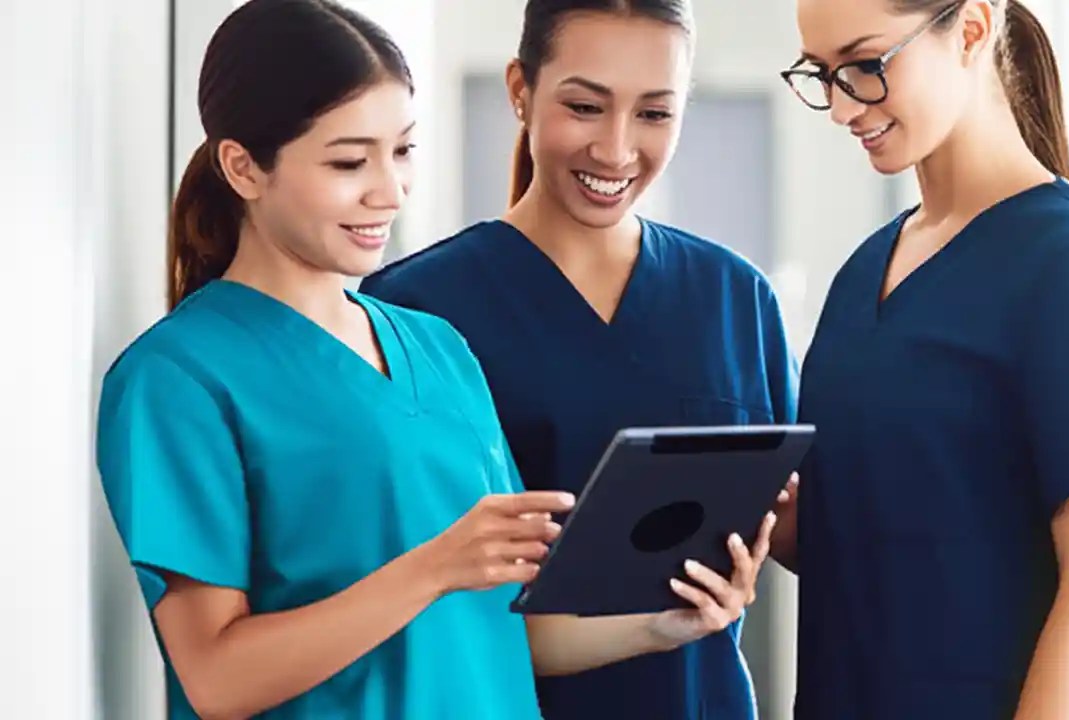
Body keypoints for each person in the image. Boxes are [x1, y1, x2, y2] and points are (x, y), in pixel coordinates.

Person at [96, 2, 769, 718]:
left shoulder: (438, 348)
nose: (389, 192)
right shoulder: (178, 379)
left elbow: (498, 628)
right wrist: (434, 568)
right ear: (243, 167)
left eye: (404, 150)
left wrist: (662, 625)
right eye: (350, 161)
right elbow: (216, 679)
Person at [359, 1, 800, 718]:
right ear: (520, 91)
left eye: (655, 114)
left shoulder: (734, 299)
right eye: (586, 107)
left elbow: (800, 526)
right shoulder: (410, 311)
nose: (617, 150)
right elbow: (388, 590)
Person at [778, 0, 1069, 718]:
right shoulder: (861, 274)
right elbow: (884, 546)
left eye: (865, 64)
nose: (840, 106)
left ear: (973, 31)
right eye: (823, 75)